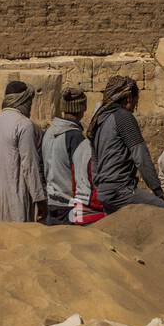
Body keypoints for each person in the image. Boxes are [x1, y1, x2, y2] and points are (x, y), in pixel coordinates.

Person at [87, 75, 164, 214]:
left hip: (104, 192)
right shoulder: (123, 117)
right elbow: (141, 158)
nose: (134, 108)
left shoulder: (99, 120)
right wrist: (157, 191)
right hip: (121, 190)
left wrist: (100, 188)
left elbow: (95, 162)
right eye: (135, 103)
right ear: (128, 98)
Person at [0, 80, 47, 222]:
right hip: (16, 197)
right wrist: (39, 198)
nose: (30, 108)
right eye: (30, 103)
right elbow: (29, 165)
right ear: (23, 101)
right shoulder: (24, 125)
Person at [41, 87, 92, 225]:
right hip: (68, 205)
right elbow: (81, 175)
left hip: (51, 201)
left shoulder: (49, 132)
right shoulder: (74, 136)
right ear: (82, 109)